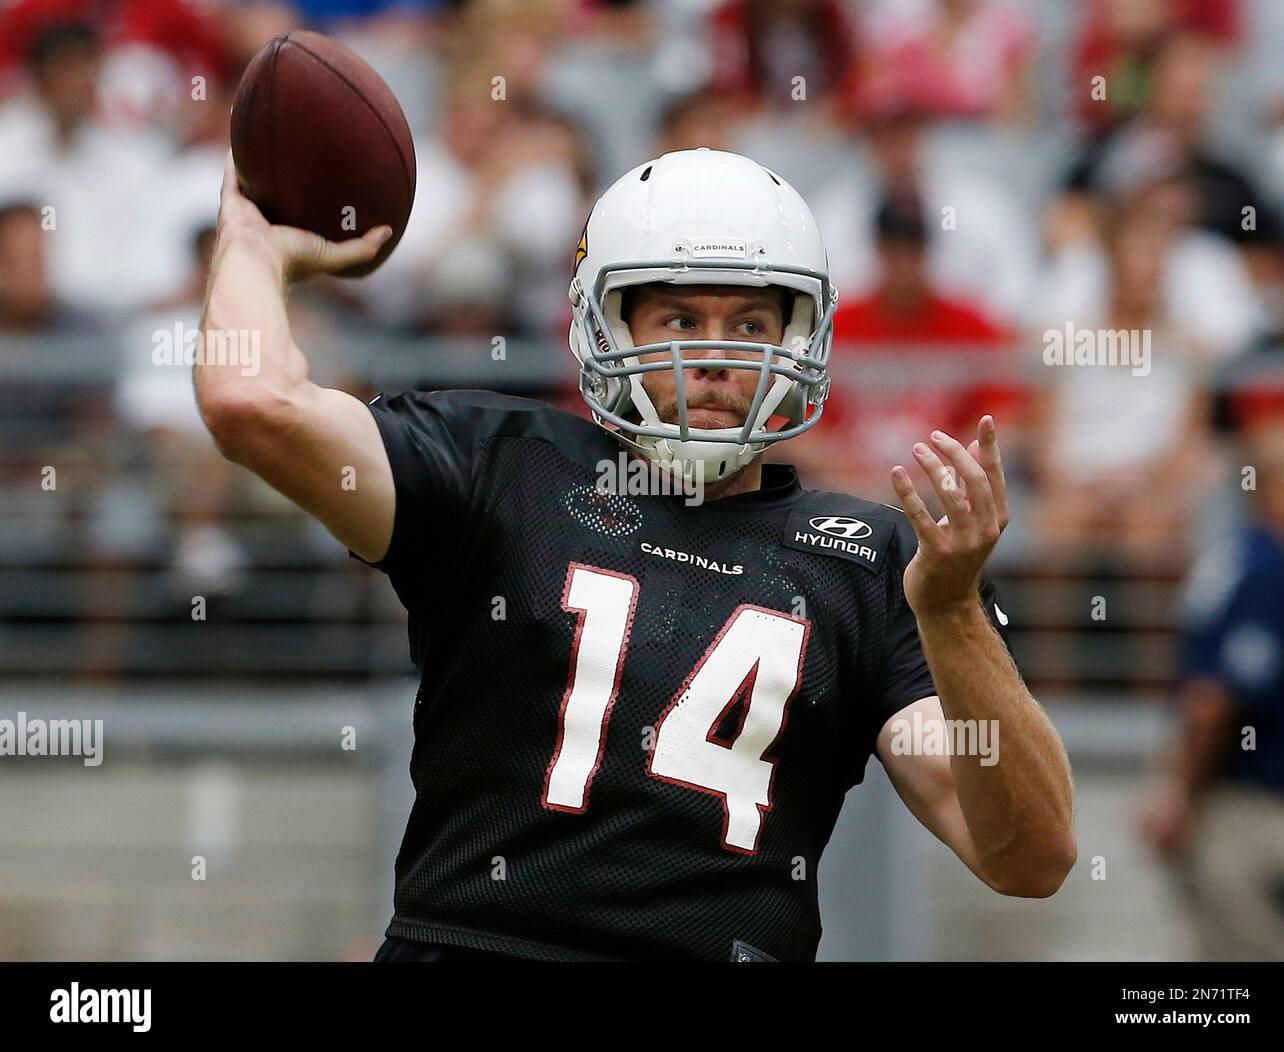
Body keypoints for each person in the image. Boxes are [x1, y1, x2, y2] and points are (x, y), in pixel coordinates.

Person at [196, 147, 1074, 962]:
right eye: (680, 318)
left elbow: (1028, 856)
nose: (716, 357)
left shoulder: (871, 559)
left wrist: (955, 613)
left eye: (750, 322)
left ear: (801, 339)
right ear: (603, 326)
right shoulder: (501, 466)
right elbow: (250, 402)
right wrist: (250, 246)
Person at [1140, 416, 1284, 961]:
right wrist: (1177, 793)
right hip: (1252, 807)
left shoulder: (1238, 557)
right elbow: (1214, 699)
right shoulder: (1266, 568)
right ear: (1273, 489)